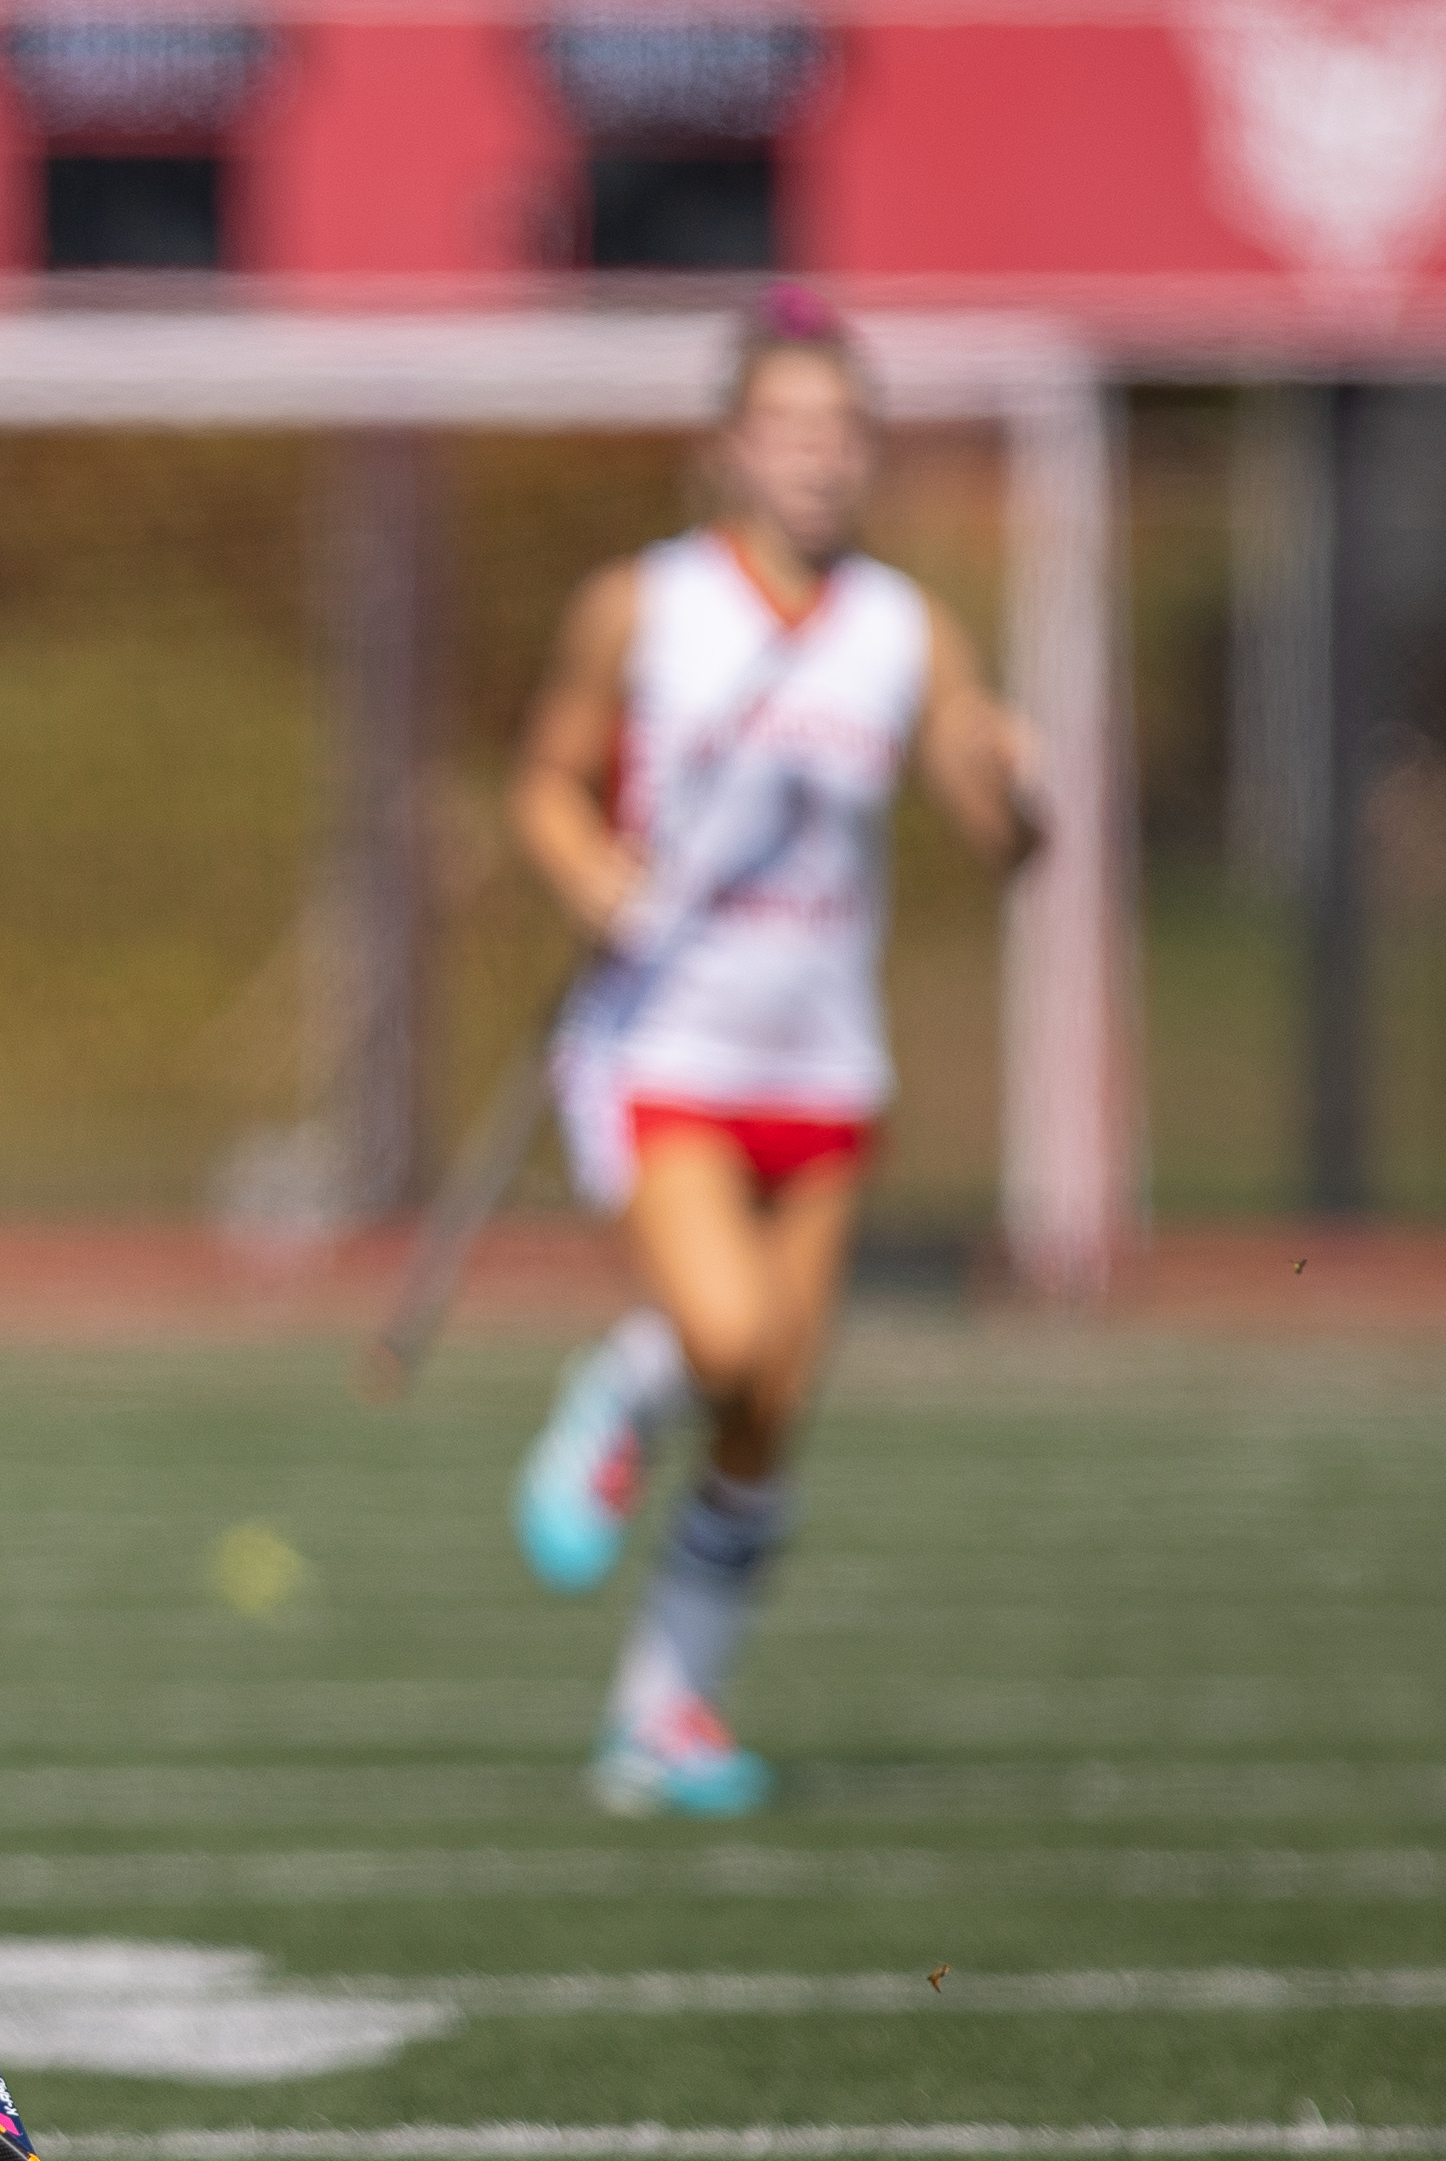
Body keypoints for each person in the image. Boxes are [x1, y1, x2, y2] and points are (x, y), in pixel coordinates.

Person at [504, 288, 1041, 1820]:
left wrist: (1023, 785)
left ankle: (661, 1712)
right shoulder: (647, 604)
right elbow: (543, 781)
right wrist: (590, 868)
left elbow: (994, 828)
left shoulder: (904, 631)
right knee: (722, 1340)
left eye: (842, 430)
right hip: (669, 1041)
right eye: (789, 428)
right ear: (733, 447)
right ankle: (617, 1387)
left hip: (821, 1064)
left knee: (764, 1417)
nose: (818, 457)